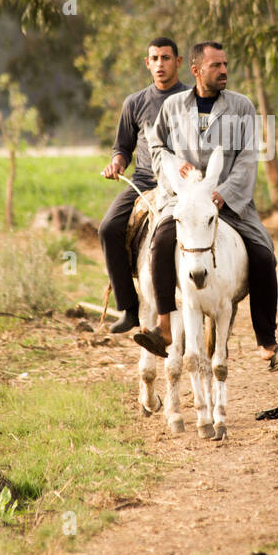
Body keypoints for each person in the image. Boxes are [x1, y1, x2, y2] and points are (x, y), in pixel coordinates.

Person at [133, 41, 278, 371]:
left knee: (264, 256)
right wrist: (174, 166)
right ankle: (164, 326)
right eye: (215, 66)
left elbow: (248, 157)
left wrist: (223, 193)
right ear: (196, 71)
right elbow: (157, 148)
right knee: (161, 242)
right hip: (184, 201)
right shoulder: (172, 107)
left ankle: (267, 344)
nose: (223, 71)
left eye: (225, 64)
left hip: (231, 204)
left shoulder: (241, 106)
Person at [98, 37, 191, 333]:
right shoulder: (135, 102)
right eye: (155, 58)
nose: (160, 64)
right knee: (108, 229)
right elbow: (122, 147)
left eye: (166, 58)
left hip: (184, 183)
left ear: (178, 62)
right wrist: (116, 163)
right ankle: (128, 308)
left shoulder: (193, 98)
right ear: (147, 63)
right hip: (144, 183)